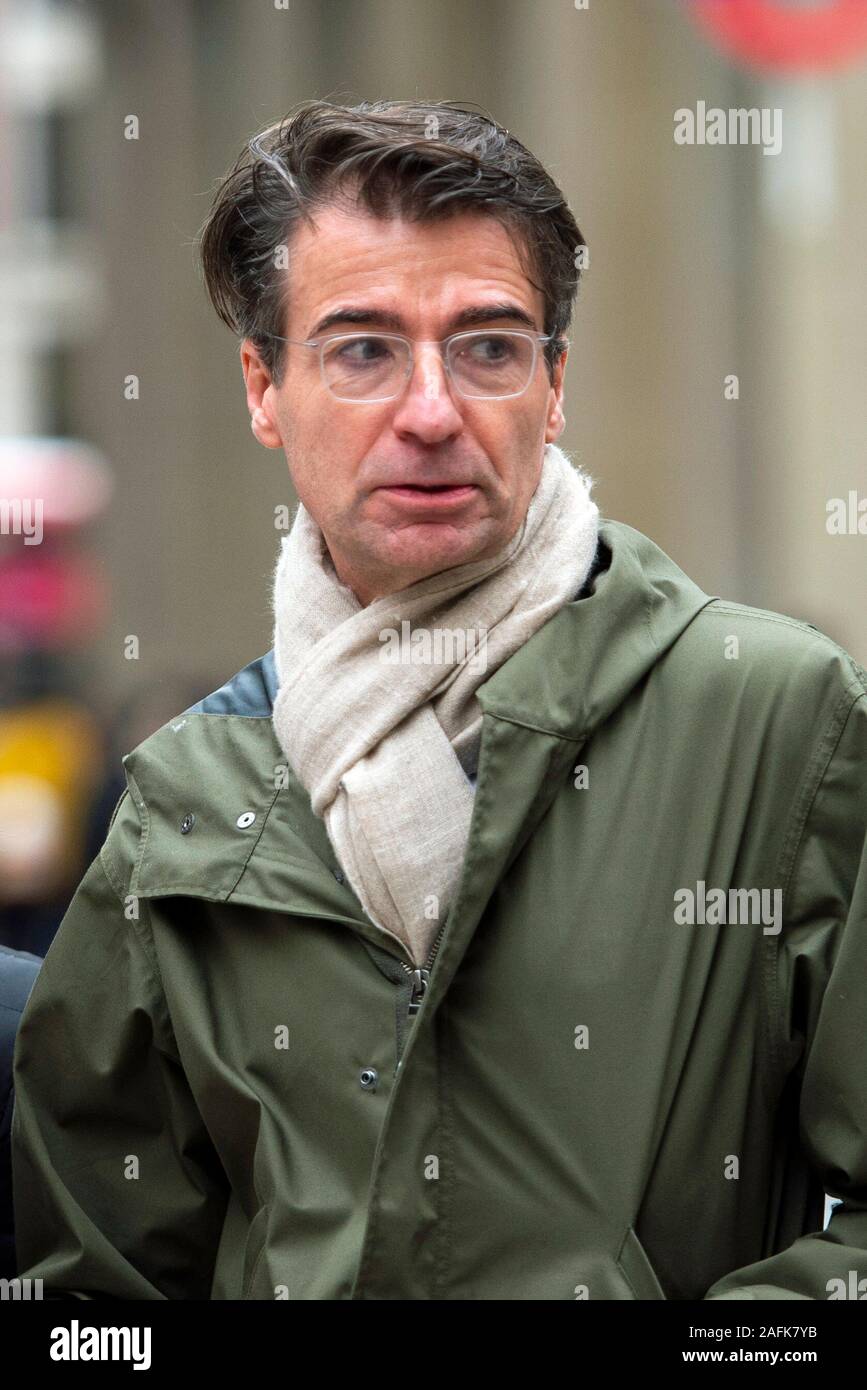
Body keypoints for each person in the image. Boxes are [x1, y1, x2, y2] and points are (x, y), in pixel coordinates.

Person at [10, 99, 867, 1301]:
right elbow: (92, 1294)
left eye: (489, 347)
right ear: (263, 388)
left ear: (554, 387)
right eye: (362, 349)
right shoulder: (181, 806)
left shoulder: (781, 720)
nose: (430, 411)